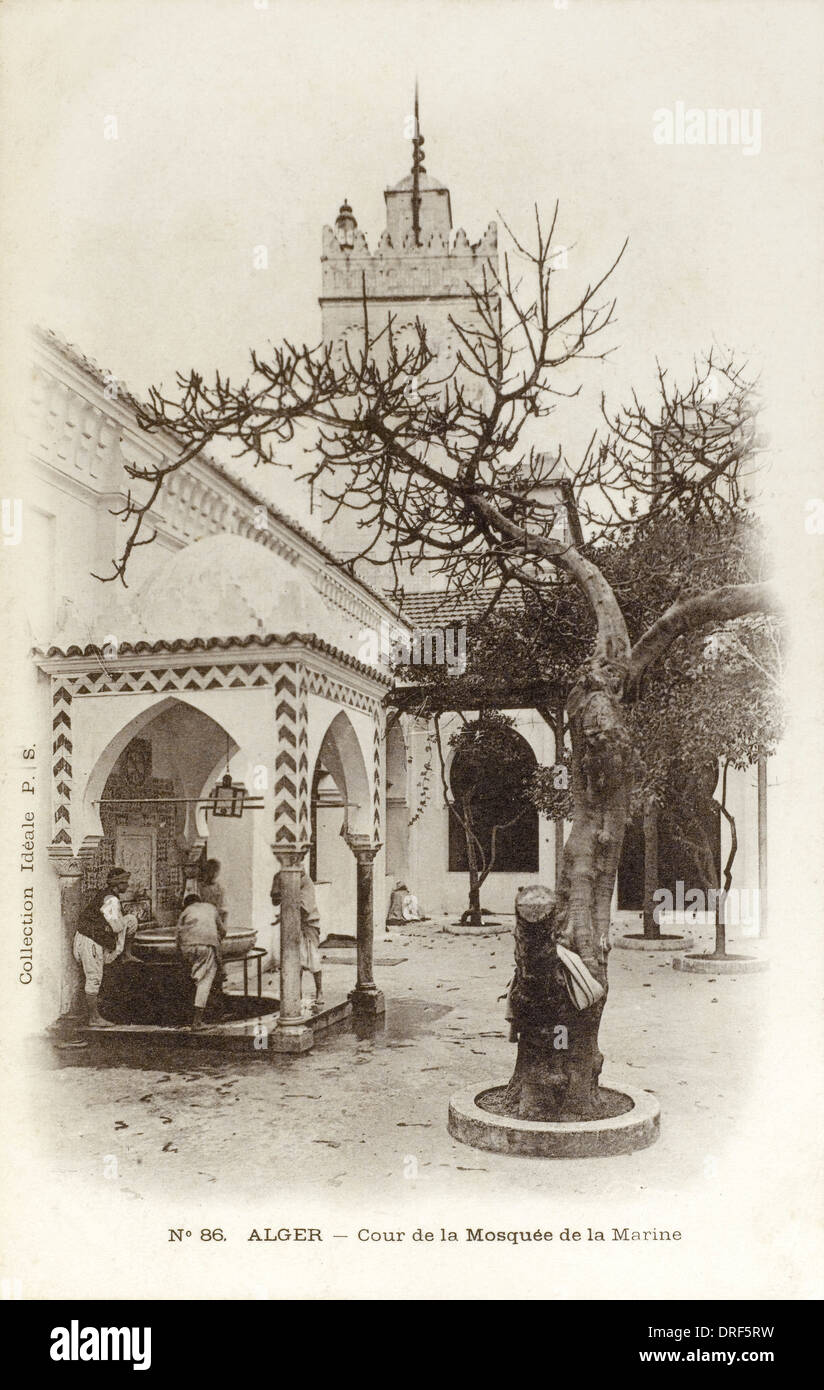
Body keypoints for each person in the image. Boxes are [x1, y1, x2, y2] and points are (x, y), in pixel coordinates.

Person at [74, 867, 139, 1027]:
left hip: (94, 938)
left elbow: (117, 925)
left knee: (131, 920)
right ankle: (94, 1018)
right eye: (125, 882)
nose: (128, 886)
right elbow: (117, 927)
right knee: (94, 978)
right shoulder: (111, 900)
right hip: (90, 941)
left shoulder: (108, 895)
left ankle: (126, 954)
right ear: (118, 884)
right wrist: (116, 928)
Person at [270, 867, 324, 1011]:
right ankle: (296, 993)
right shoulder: (284, 877)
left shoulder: (306, 882)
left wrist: (285, 914)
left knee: (313, 959)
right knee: (295, 961)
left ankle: (319, 991)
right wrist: (277, 883)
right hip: (292, 925)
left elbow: (304, 908)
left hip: (308, 924)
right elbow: (275, 900)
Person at [175, 892, 226, 1030]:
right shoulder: (210, 908)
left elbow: (178, 934)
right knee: (204, 980)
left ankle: (184, 1015)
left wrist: (181, 953)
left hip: (187, 947)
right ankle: (197, 1022)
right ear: (200, 901)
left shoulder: (185, 911)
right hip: (206, 946)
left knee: (192, 976)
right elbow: (223, 931)